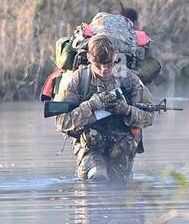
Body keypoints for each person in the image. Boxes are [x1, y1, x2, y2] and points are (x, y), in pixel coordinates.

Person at [54, 33, 158, 181]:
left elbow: (148, 118)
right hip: (90, 147)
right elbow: (61, 122)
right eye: (99, 65)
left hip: (121, 148)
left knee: (120, 187)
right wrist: (90, 105)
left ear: (115, 57)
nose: (104, 70)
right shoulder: (79, 79)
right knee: (97, 177)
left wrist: (127, 110)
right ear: (90, 58)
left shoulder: (128, 78)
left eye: (109, 64)